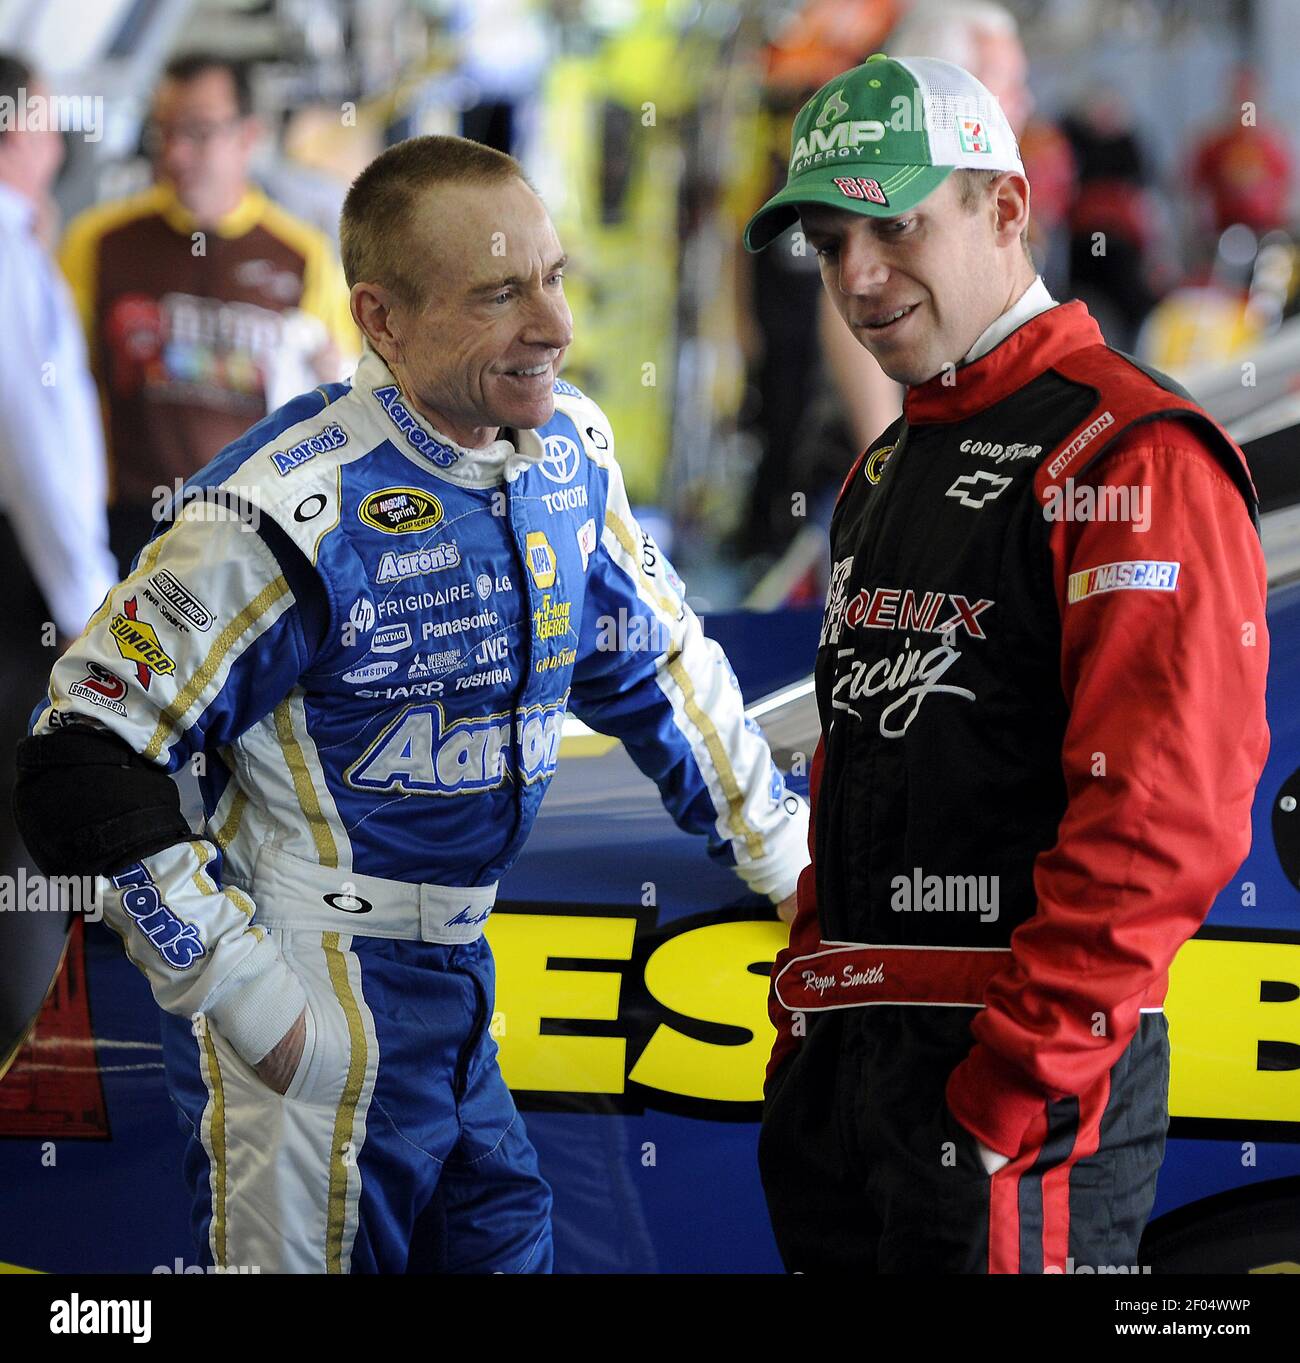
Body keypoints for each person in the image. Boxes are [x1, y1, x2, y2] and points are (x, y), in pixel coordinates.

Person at [14, 133, 808, 1274]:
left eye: (554, 276)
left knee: (510, 1244)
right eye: (499, 293)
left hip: (460, 989)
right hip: (310, 984)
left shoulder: (568, 446)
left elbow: (655, 661)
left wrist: (789, 858)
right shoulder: (282, 504)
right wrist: (240, 991)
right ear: (380, 319)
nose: (554, 326)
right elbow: (79, 753)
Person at [743, 53, 1268, 1273]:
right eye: (828, 244)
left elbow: (1163, 817)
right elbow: (859, 762)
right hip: (851, 1084)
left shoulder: (1129, 450)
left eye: (893, 226)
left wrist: (1009, 1089)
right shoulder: (887, 467)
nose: (859, 279)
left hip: (1011, 1093)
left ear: (1004, 209)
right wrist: (806, 1024)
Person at [58, 51, 357, 575]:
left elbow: (337, 398)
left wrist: (336, 376)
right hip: (125, 526)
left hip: (253, 531)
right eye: (164, 132)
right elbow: (57, 399)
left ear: (248, 135)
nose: (175, 153)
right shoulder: (99, 242)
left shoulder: (300, 254)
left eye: (197, 132)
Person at [0, 53, 117, 876]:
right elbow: (29, 440)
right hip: (26, 576)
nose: (55, 132)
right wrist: (84, 599)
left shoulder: (21, 239)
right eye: (42, 115)